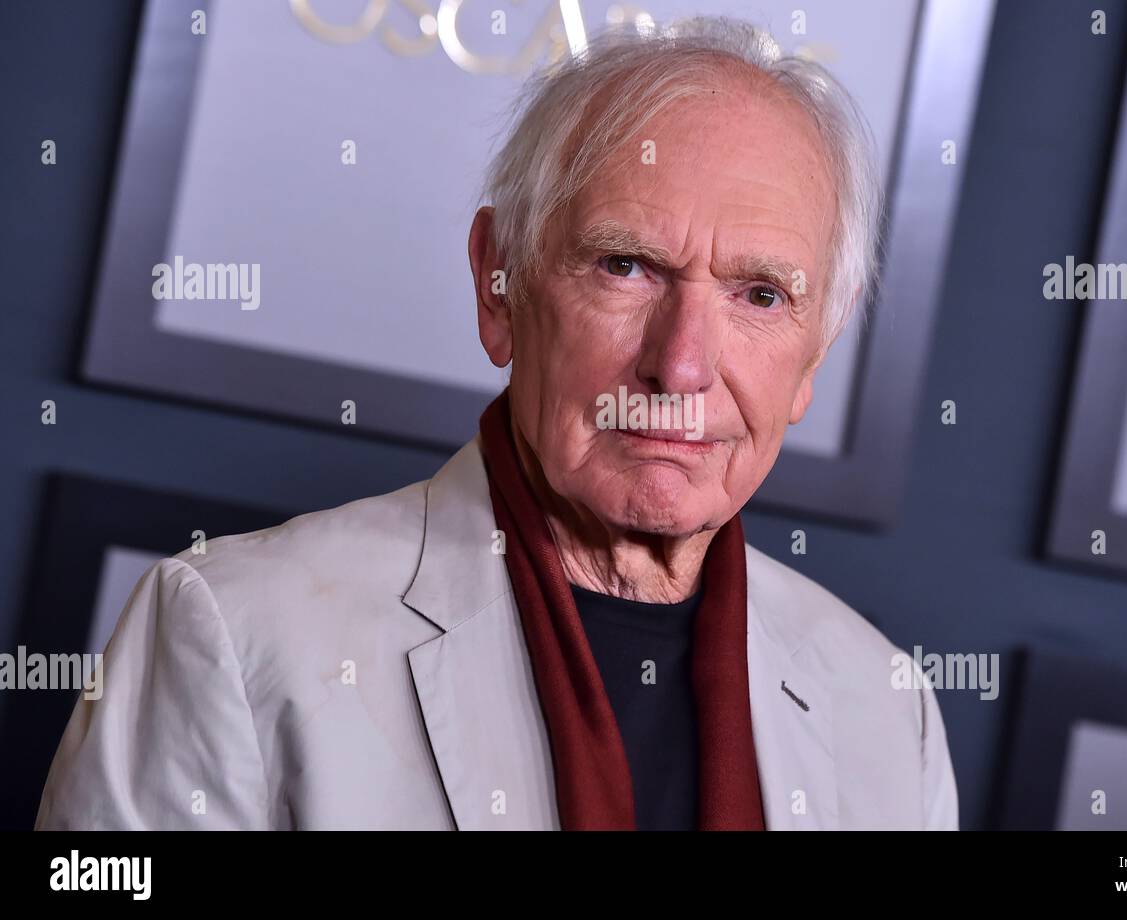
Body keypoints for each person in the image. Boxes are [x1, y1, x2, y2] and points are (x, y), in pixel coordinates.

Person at [37, 16, 957, 831]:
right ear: (498, 285)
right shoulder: (232, 634)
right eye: (626, 266)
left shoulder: (889, 712)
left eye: (760, 295)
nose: (681, 367)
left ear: (816, 353)